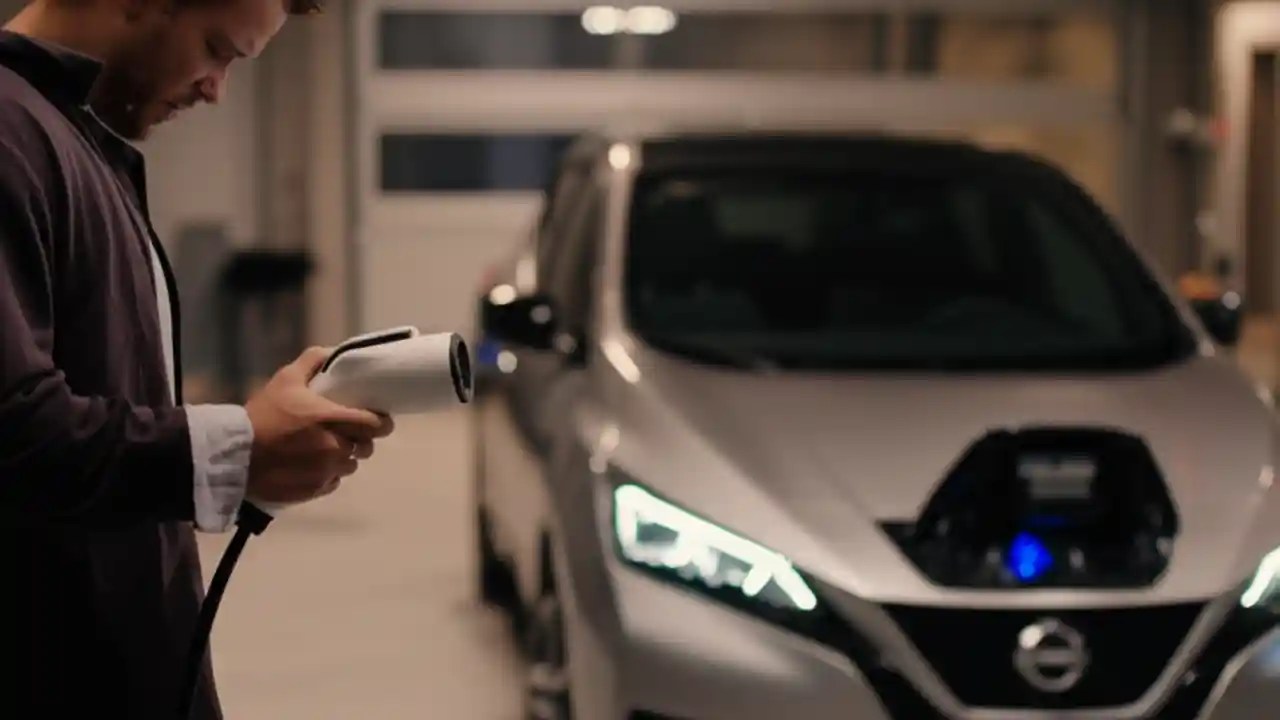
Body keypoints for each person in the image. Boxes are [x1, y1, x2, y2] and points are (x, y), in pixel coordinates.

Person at [0, 1, 393, 718]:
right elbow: (15, 429)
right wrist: (237, 446)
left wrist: (249, 450)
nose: (216, 88)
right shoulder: (10, 134)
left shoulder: (69, 137)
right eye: (217, 49)